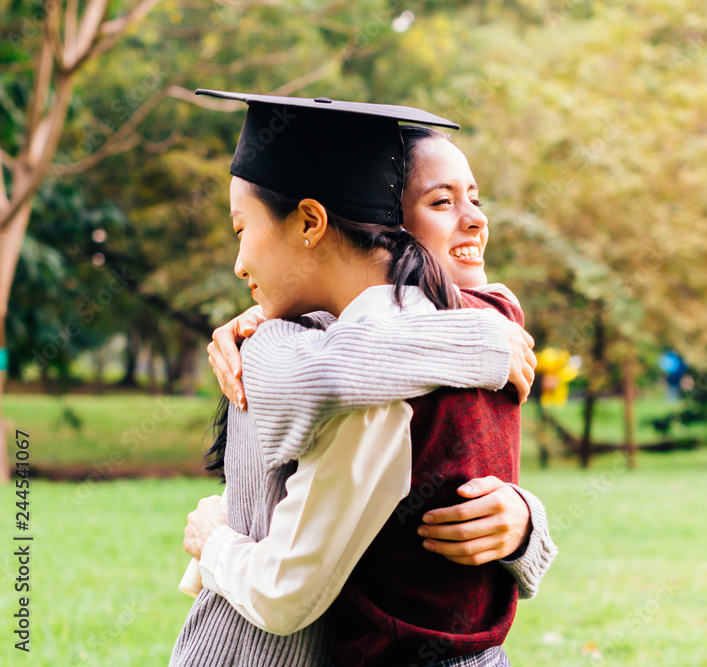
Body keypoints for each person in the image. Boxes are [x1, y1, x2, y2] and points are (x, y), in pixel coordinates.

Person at [171, 91, 555, 667]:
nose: (474, 218)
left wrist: (527, 526)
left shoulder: (478, 323)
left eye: (472, 199)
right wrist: (478, 341)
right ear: (384, 225)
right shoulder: (298, 348)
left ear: (313, 221)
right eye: (441, 202)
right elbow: (325, 370)